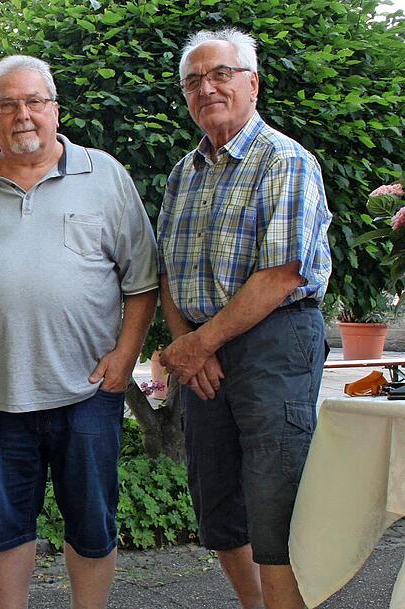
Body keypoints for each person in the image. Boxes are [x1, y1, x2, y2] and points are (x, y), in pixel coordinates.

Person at [0, 55, 158, 609]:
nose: (23, 114)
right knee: (5, 526)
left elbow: (142, 281)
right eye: (8, 103)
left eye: (34, 101)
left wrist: (125, 356)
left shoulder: (106, 174)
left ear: (55, 109)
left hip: (86, 390)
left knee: (91, 522)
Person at [157, 29, 332, 609]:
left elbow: (282, 275)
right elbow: (168, 272)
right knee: (219, 508)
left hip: (275, 345)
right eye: (193, 81)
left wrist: (196, 345)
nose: (206, 88)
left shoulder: (286, 160)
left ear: (252, 83)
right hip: (205, 350)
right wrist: (187, 344)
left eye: (220, 74)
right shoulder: (184, 173)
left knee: (277, 506)